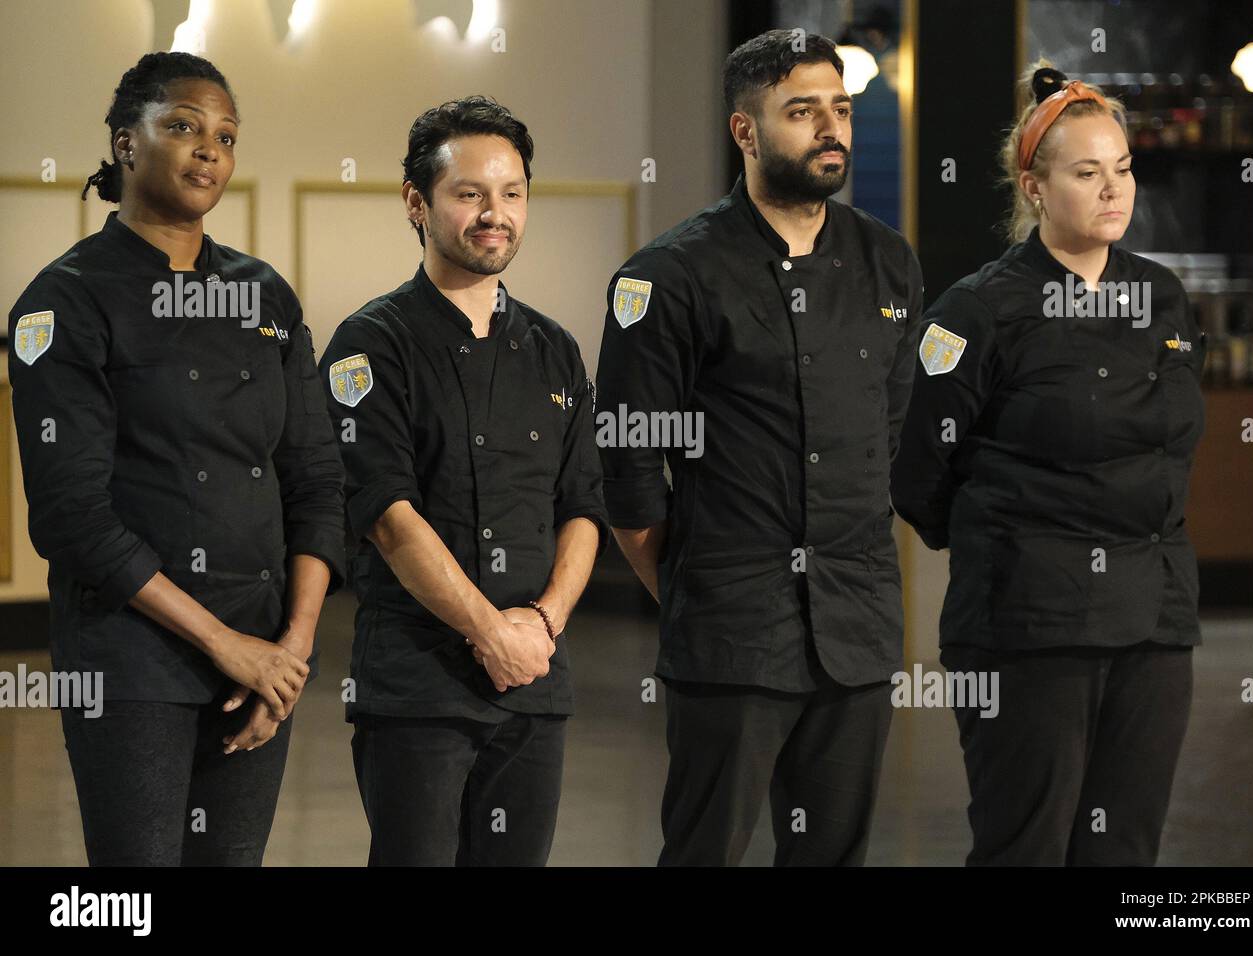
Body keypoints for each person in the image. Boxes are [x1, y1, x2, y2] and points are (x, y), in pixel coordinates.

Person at [6, 52, 346, 866]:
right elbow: (71, 518)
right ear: (126, 144)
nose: (208, 150)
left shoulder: (264, 294)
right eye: (184, 126)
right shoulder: (66, 300)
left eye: (225, 136)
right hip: (130, 654)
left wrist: (289, 652)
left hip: (264, 648)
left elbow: (317, 478)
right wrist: (222, 644)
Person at [596, 30, 924, 866]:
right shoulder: (670, 275)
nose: (831, 129)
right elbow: (631, 465)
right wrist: (690, 587)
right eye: (802, 111)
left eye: (841, 110)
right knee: (706, 849)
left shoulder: (887, 262)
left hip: (857, 627)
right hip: (733, 630)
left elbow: (892, 434)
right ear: (745, 131)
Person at [891, 64, 1206, 865]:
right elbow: (921, 472)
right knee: (1025, 848)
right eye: (1087, 172)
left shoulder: (1162, 297)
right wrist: (1015, 544)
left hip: (1154, 621)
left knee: (1125, 851)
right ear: (1033, 187)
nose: (1114, 190)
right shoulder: (977, 310)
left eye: (1124, 168)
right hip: (1027, 627)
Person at [318, 96, 607, 867]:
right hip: (417, 687)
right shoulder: (369, 344)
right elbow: (386, 513)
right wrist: (488, 631)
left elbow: (583, 506)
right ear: (418, 203)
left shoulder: (555, 349)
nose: (495, 213)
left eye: (512, 193)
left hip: (535, 683)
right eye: (470, 193)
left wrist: (541, 627)